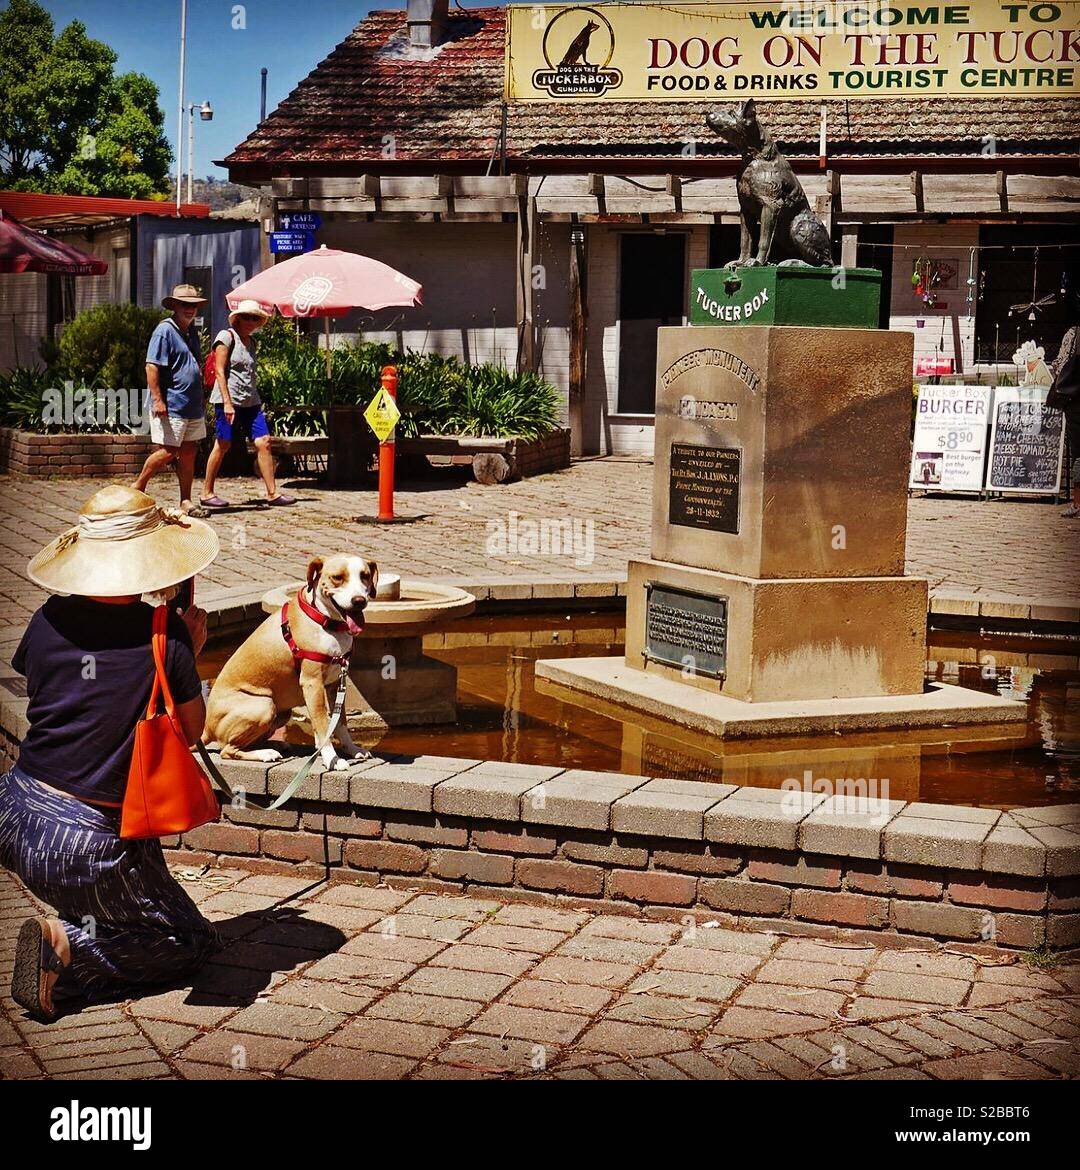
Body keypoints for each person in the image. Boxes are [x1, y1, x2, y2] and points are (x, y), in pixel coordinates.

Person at [0, 485, 221, 1021]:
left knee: (145, 888)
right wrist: (186, 653)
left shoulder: (47, 617)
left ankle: (78, 922)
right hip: (82, 840)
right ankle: (70, 948)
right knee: (190, 942)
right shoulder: (164, 639)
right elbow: (191, 732)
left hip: (16, 805)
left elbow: (44, 684)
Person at [200, 298, 295, 509]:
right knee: (223, 444)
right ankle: (206, 492)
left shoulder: (252, 342)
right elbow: (220, 371)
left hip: (251, 402)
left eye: (255, 318)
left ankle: (272, 493)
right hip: (229, 400)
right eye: (247, 317)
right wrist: (226, 403)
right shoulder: (226, 337)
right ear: (238, 319)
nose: (251, 321)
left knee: (264, 442)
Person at [133, 284, 209, 518]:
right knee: (169, 451)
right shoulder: (164, 330)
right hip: (172, 404)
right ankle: (137, 487)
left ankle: (185, 501)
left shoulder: (191, 331)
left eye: (193, 305)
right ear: (175, 306)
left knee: (189, 452)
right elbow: (151, 366)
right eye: (185, 304)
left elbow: (193, 364)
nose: (190, 309)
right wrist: (158, 400)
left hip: (192, 405)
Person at [1047, 265, 1080, 519]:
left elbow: (1060, 364)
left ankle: (1078, 503)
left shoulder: (1073, 333)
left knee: (1078, 451)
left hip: (1076, 400)